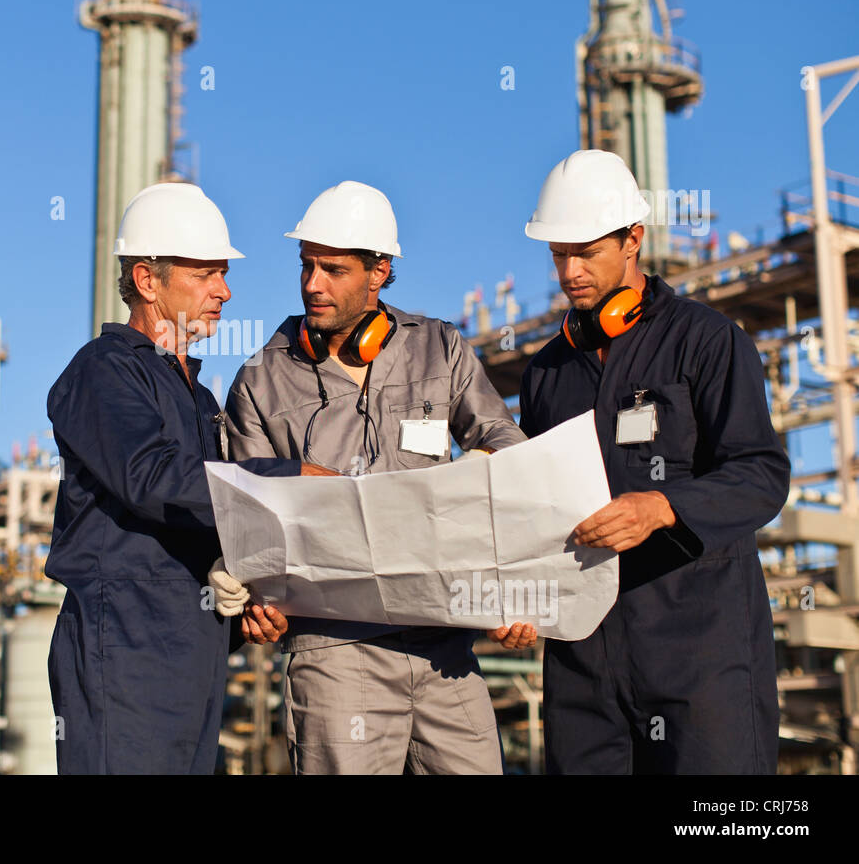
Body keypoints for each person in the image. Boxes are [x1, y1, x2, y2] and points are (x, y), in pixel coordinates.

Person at [218, 180, 536, 775]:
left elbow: (504, 441)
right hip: (336, 654)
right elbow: (248, 519)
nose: (313, 284)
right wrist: (259, 597)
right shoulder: (261, 380)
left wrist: (487, 476)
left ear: (379, 271)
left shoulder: (439, 348)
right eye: (307, 265)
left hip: (445, 643)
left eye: (334, 270)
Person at [44, 182, 334, 775]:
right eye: (205, 274)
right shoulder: (103, 371)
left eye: (223, 274)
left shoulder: (197, 397)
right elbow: (153, 478)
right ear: (147, 281)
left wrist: (248, 592)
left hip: (193, 646)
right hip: (124, 645)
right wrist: (289, 478)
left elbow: (207, 514)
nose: (224, 291)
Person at [517, 149, 790, 774]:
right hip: (583, 664)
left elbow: (761, 473)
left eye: (587, 253)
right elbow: (526, 503)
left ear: (633, 239)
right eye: (558, 254)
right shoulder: (546, 373)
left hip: (701, 656)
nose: (570, 272)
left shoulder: (707, 340)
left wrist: (663, 506)